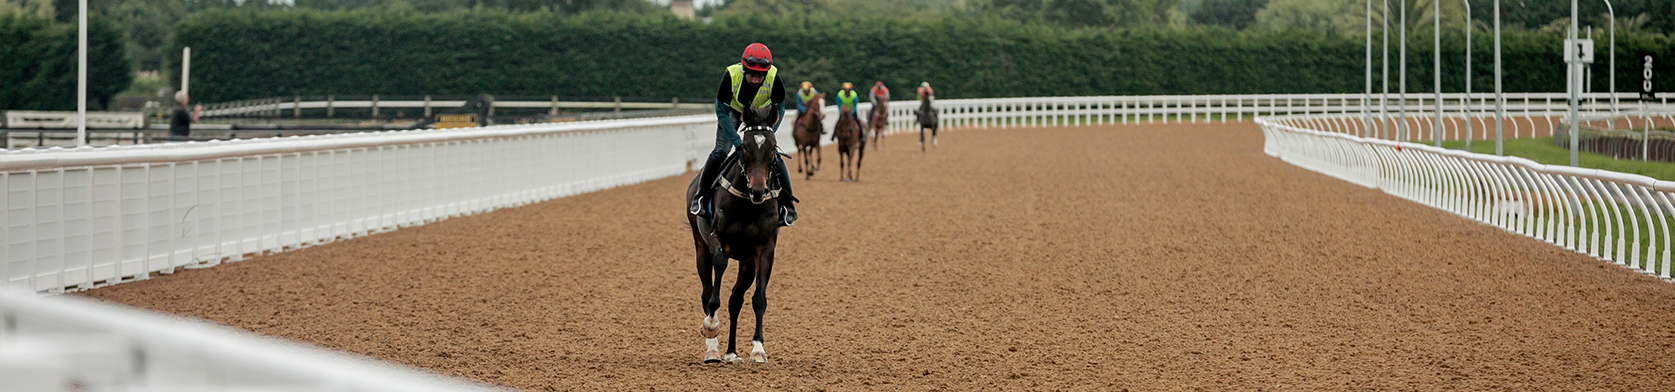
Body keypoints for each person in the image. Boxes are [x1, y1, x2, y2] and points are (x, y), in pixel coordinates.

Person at [690, 43, 799, 226]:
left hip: (761, 114)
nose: (756, 80)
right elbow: (721, 112)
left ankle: (788, 206)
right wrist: (736, 141)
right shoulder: (731, 75)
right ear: (744, 70)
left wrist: (769, 134)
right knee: (720, 152)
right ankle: (700, 197)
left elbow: (780, 109)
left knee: (774, 156)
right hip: (732, 112)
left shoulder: (774, 77)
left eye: (760, 76)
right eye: (752, 75)